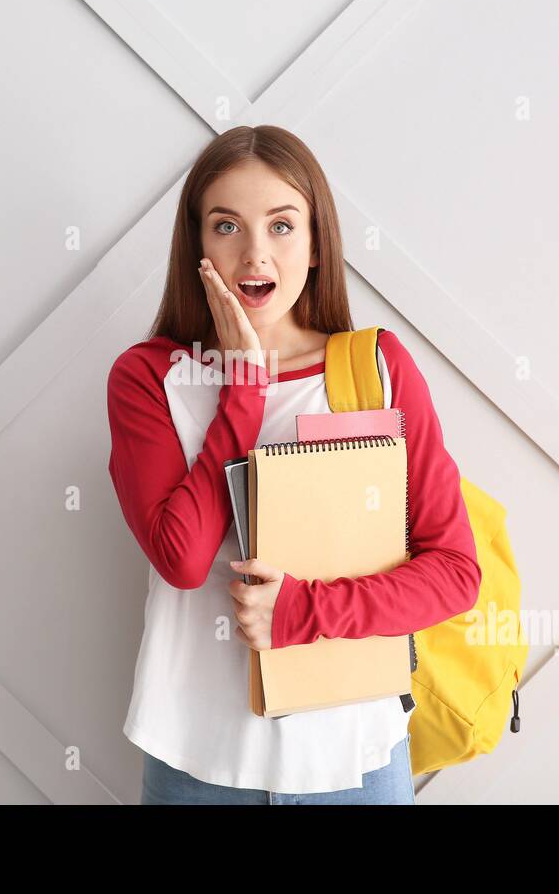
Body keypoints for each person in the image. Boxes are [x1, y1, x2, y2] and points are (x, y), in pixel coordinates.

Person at [106, 124, 481, 804]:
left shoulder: (376, 368)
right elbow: (184, 561)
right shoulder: (148, 379)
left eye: (282, 225)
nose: (255, 253)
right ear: (196, 245)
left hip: (356, 763)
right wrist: (245, 389)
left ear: (315, 245)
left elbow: (454, 573)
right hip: (198, 762)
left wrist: (302, 611)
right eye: (227, 226)